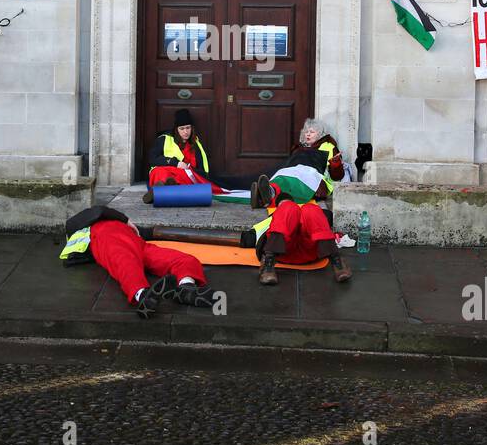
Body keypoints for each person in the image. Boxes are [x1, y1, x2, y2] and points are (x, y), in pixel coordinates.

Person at [60, 205, 222, 317]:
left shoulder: (109, 225)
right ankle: (143, 295)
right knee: (125, 261)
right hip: (108, 237)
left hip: (138, 243)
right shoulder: (82, 227)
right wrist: (125, 219)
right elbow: (100, 210)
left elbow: (148, 231)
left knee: (185, 260)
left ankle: (186, 288)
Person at [244, 119, 351, 285]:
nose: (308, 134)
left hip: (311, 181)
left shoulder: (328, 147)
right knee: (286, 188)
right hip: (284, 250)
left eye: (312, 132)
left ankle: (337, 261)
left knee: (309, 209)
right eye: (306, 132)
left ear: (320, 134)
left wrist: (336, 163)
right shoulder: (298, 149)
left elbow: (337, 175)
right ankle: (268, 264)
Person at [142, 108, 221, 203]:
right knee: (159, 171)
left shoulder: (196, 144)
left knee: (178, 176)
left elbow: (201, 169)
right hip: (166, 170)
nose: (185, 132)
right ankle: (166, 186)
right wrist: (175, 163)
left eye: (188, 128)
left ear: (192, 128)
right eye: (182, 129)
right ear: (176, 129)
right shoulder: (164, 139)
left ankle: (158, 191)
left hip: (186, 174)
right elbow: (153, 159)